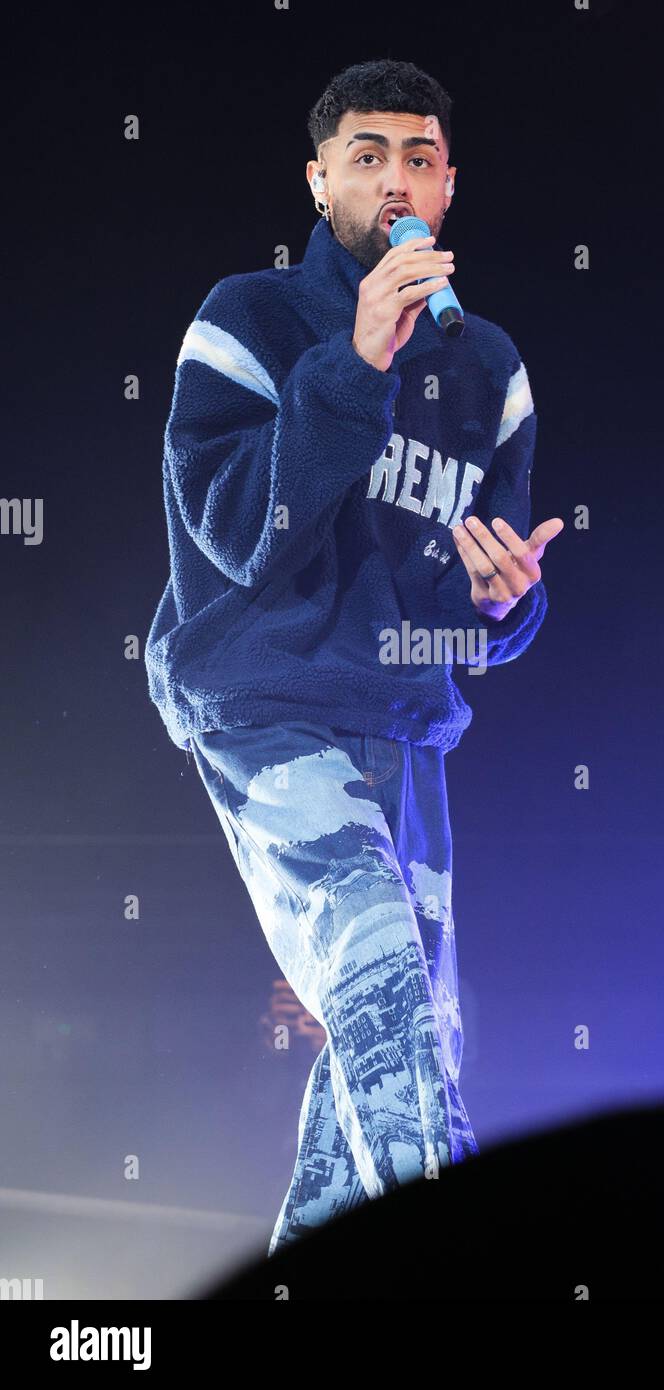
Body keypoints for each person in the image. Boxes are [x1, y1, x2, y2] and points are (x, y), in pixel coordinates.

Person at [144, 57, 563, 1254]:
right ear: (320, 177)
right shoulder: (248, 320)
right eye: (367, 156)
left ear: (446, 186)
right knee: (378, 976)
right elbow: (232, 537)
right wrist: (354, 363)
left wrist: (500, 603)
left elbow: (480, 597)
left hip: (402, 729)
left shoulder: (487, 368)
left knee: (405, 1046)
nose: (393, 180)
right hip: (265, 705)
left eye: (417, 158)